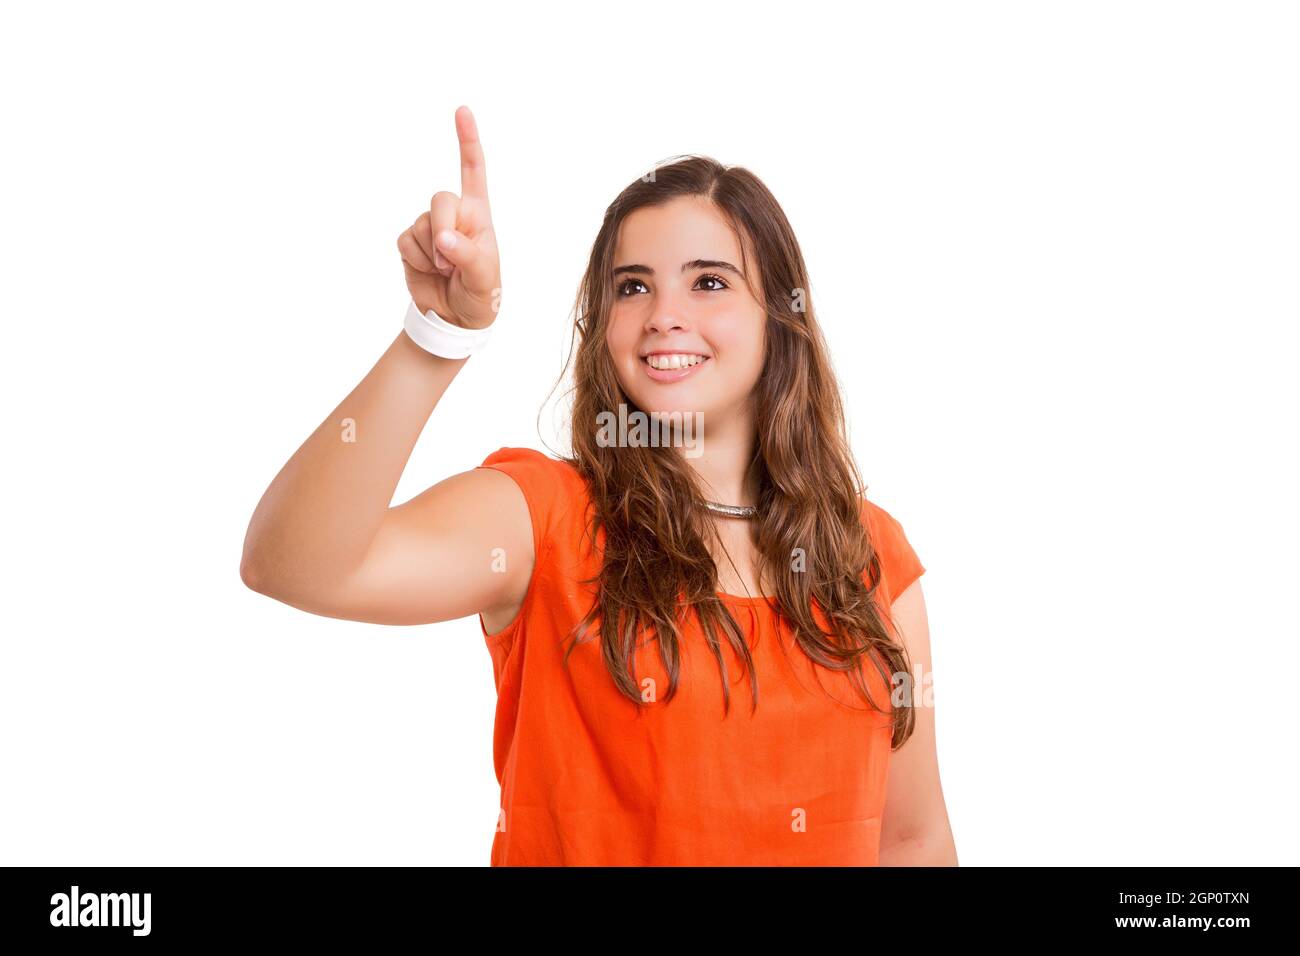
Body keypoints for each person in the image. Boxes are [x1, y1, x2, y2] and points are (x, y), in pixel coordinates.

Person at [240, 105, 957, 866]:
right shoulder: (541, 520)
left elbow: (909, 840)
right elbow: (292, 563)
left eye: (708, 281)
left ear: (780, 319)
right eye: (632, 288)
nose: (664, 317)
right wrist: (437, 336)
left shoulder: (868, 553)